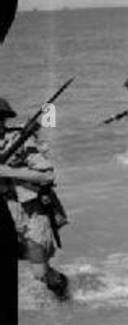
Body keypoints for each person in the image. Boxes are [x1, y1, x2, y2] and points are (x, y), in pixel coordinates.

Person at [0, 97, 69, 299]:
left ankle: (62, 289)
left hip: (32, 212)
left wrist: (6, 172)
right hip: (9, 211)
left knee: (40, 273)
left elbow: (47, 175)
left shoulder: (21, 140)